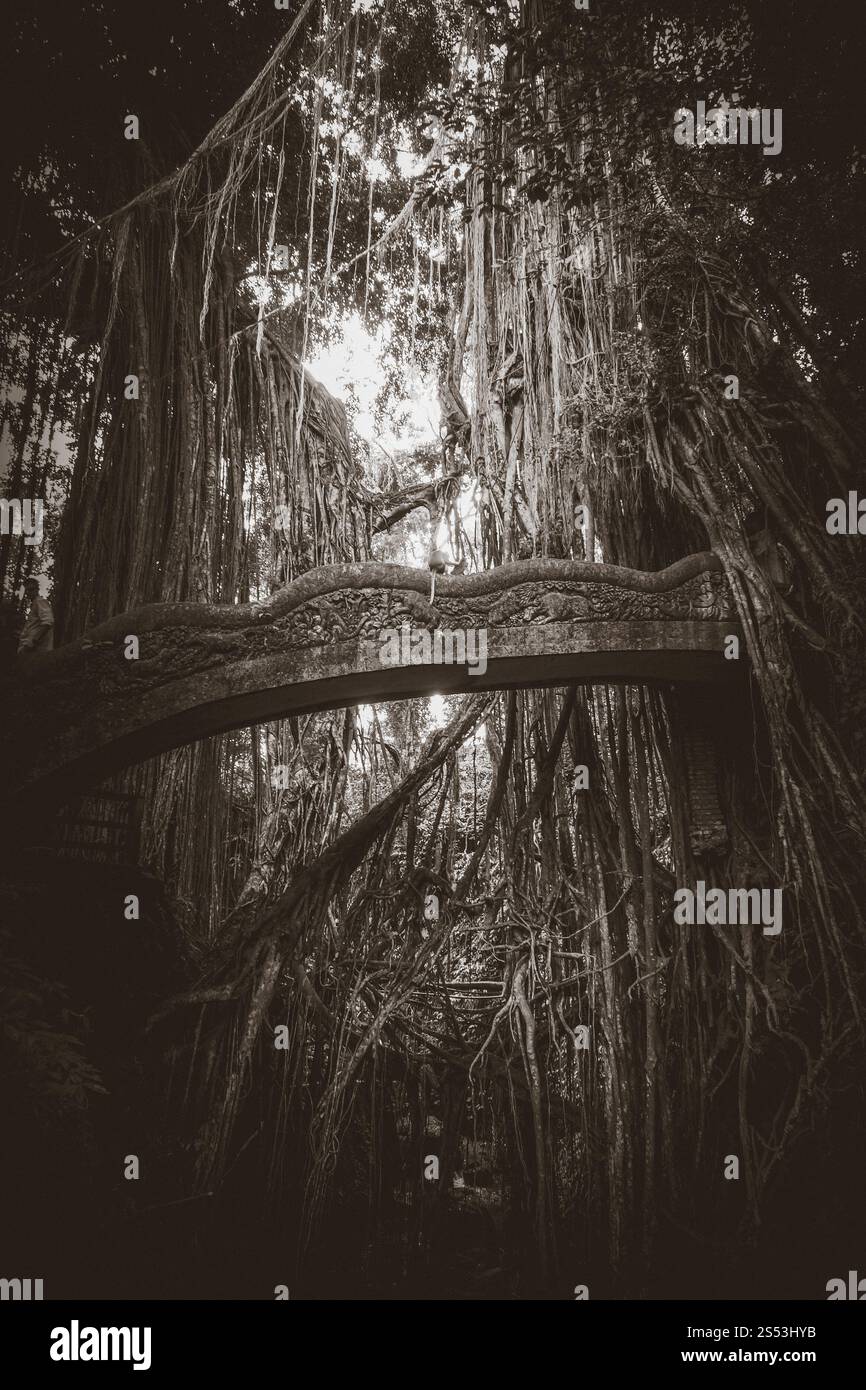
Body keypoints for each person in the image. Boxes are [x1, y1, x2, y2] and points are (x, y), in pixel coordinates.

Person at [17, 577, 54, 655]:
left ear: (37, 589)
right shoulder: (34, 604)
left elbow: (48, 622)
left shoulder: (40, 602)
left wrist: (32, 643)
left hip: (35, 650)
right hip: (29, 649)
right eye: (27, 590)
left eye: (31, 589)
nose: (28, 592)